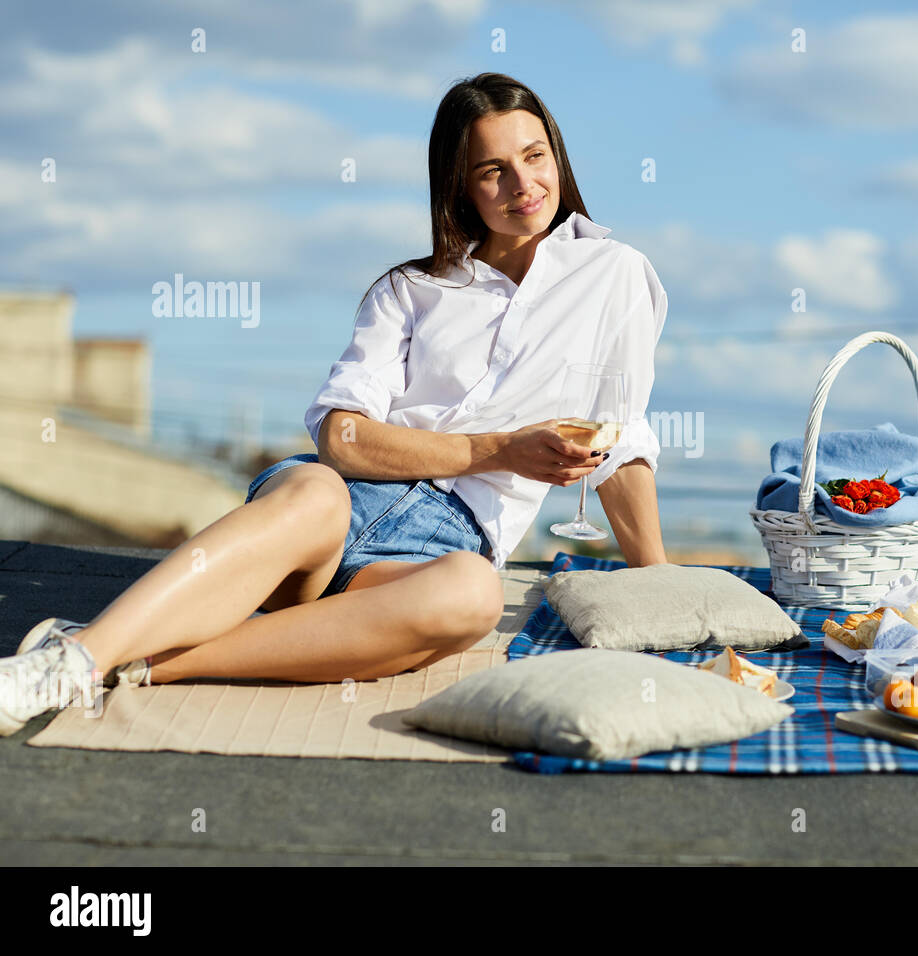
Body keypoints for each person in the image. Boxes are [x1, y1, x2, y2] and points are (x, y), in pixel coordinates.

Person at [0, 72, 669, 736]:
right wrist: (498, 449)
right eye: (493, 170)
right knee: (317, 491)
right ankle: (73, 660)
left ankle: (132, 658)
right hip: (329, 505)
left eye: (533, 156)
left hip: (429, 556)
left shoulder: (614, 275)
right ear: (461, 185)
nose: (523, 185)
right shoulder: (410, 289)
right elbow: (342, 440)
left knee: (475, 593)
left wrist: (660, 588)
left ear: (556, 154)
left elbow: (623, 437)